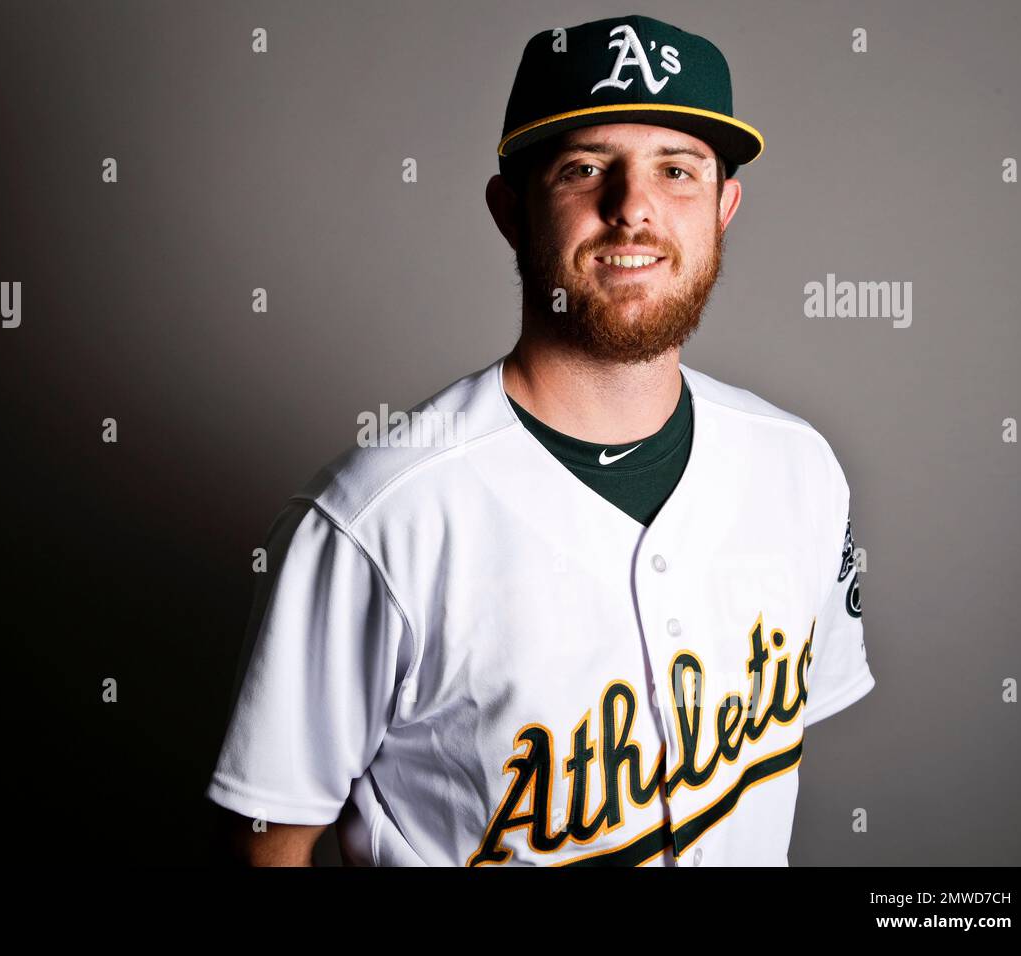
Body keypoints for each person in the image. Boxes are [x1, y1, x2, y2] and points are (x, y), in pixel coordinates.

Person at [206, 13, 873, 866]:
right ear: (510, 210)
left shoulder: (802, 469)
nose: (632, 207)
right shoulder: (374, 521)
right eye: (585, 168)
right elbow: (267, 845)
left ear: (723, 206)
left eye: (677, 170)